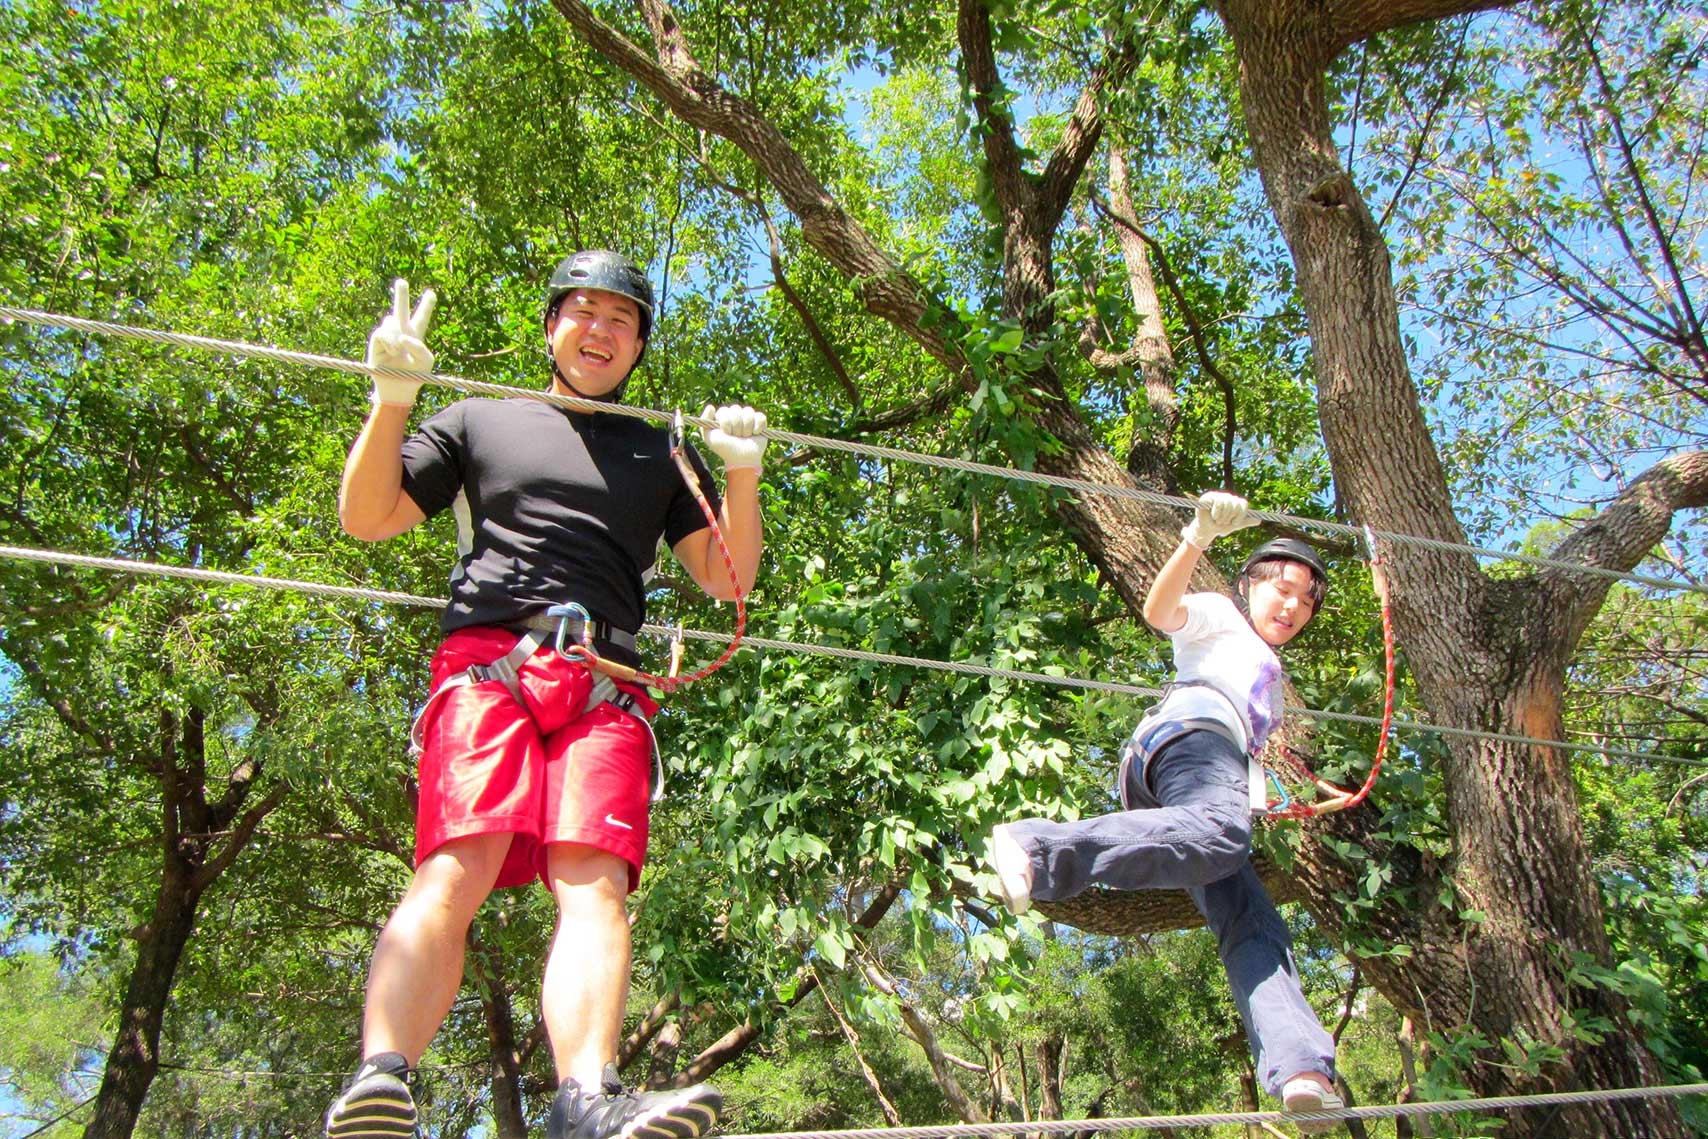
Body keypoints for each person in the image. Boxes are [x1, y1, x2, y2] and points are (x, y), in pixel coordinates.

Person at [327, 251, 766, 1139]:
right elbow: (368, 516)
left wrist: (743, 474)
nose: (600, 330)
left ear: (639, 344)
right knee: (461, 861)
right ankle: (380, 1080)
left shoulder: (659, 448)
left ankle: (587, 1100)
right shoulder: (479, 417)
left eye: (622, 319)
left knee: (596, 883)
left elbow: (728, 578)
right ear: (551, 324)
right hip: (491, 660)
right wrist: (392, 399)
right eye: (583, 310)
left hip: (608, 682)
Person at [988, 492, 1343, 1133]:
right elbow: (1161, 610)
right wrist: (1196, 538)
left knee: (1251, 920)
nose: (1294, 606)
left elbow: (1249, 763)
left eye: (1307, 600)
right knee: (1222, 835)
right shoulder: (1220, 616)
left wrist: (1315, 797)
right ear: (1249, 587)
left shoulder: (1268, 676)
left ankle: (1301, 1070)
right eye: (1283, 589)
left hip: (1202, 776)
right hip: (1183, 742)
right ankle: (1038, 848)